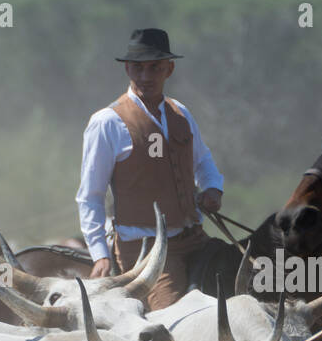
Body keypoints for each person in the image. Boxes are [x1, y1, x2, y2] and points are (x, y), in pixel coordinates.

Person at [76, 28, 224, 311]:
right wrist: (100, 254)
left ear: (169, 69)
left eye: (155, 68)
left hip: (194, 238)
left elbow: (203, 160)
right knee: (175, 318)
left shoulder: (181, 112)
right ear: (127, 69)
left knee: (243, 282)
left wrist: (213, 188)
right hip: (147, 251)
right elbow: (90, 196)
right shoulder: (107, 122)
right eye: (138, 68)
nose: (146, 76)